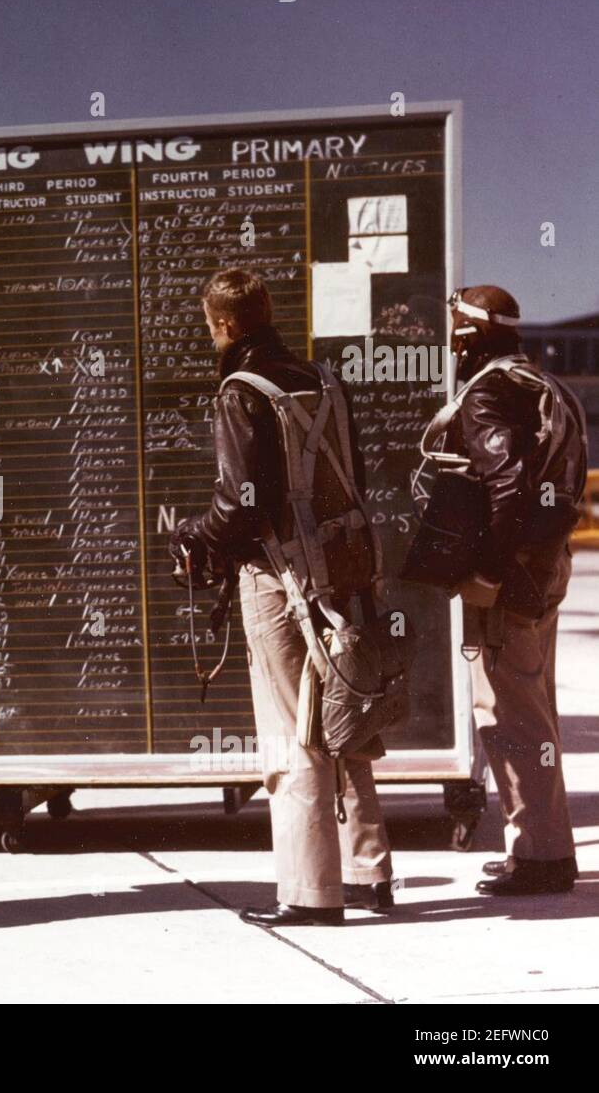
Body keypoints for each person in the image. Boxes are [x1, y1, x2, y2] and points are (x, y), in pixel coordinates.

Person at [172, 269, 394, 927]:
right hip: (346, 569)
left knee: (292, 732)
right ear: (266, 313)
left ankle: (309, 892)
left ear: (225, 325)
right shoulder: (325, 381)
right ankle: (367, 872)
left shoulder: (241, 392)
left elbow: (241, 505)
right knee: (349, 716)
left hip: (282, 580)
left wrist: (193, 537)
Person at [437, 286, 586, 895]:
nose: (450, 345)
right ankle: (547, 847)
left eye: (454, 333)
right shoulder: (548, 387)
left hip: (513, 574)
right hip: (548, 565)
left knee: (508, 713)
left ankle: (539, 858)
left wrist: (490, 574)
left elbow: (504, 486)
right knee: (535, 706)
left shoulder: (490, 391)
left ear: (470, 336)